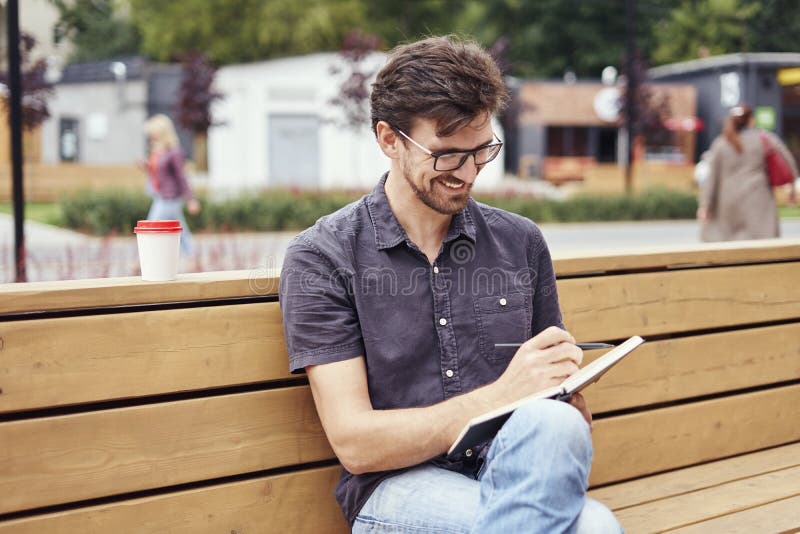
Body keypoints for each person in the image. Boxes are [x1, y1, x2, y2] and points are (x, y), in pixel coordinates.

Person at [279, 35, 621, 533]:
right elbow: (355, 443)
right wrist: (501, 395)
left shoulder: (519, 242)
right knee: (595, 529)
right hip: (395, 489)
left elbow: (551, 402)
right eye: (446, 155)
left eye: (481, 151)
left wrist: (563, 391)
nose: (466, 173)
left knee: (559, 425)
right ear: (389, 140)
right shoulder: (324, 257)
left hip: (509, 467)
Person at [698, 104, 798, 242]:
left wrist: (705, 205)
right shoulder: (765, 139)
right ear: (751, 120)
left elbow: (712, 178)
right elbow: (788, 162)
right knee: (762, 247)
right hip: (758, 199)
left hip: (727, 202)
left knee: (730, 247)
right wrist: (792, 189)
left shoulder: (721, 143)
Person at [143, 114, 200, 256]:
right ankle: (192, 255)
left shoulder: (174, 151)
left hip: (171, 197)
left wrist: (191, 199)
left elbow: (182, 176)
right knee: (180, 228)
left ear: (161, 132)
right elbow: (158, 173)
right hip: (161, 195)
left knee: (152, 225)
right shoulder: (158, 151)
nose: (151, 136)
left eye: (153, 133)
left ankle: (144, 259)